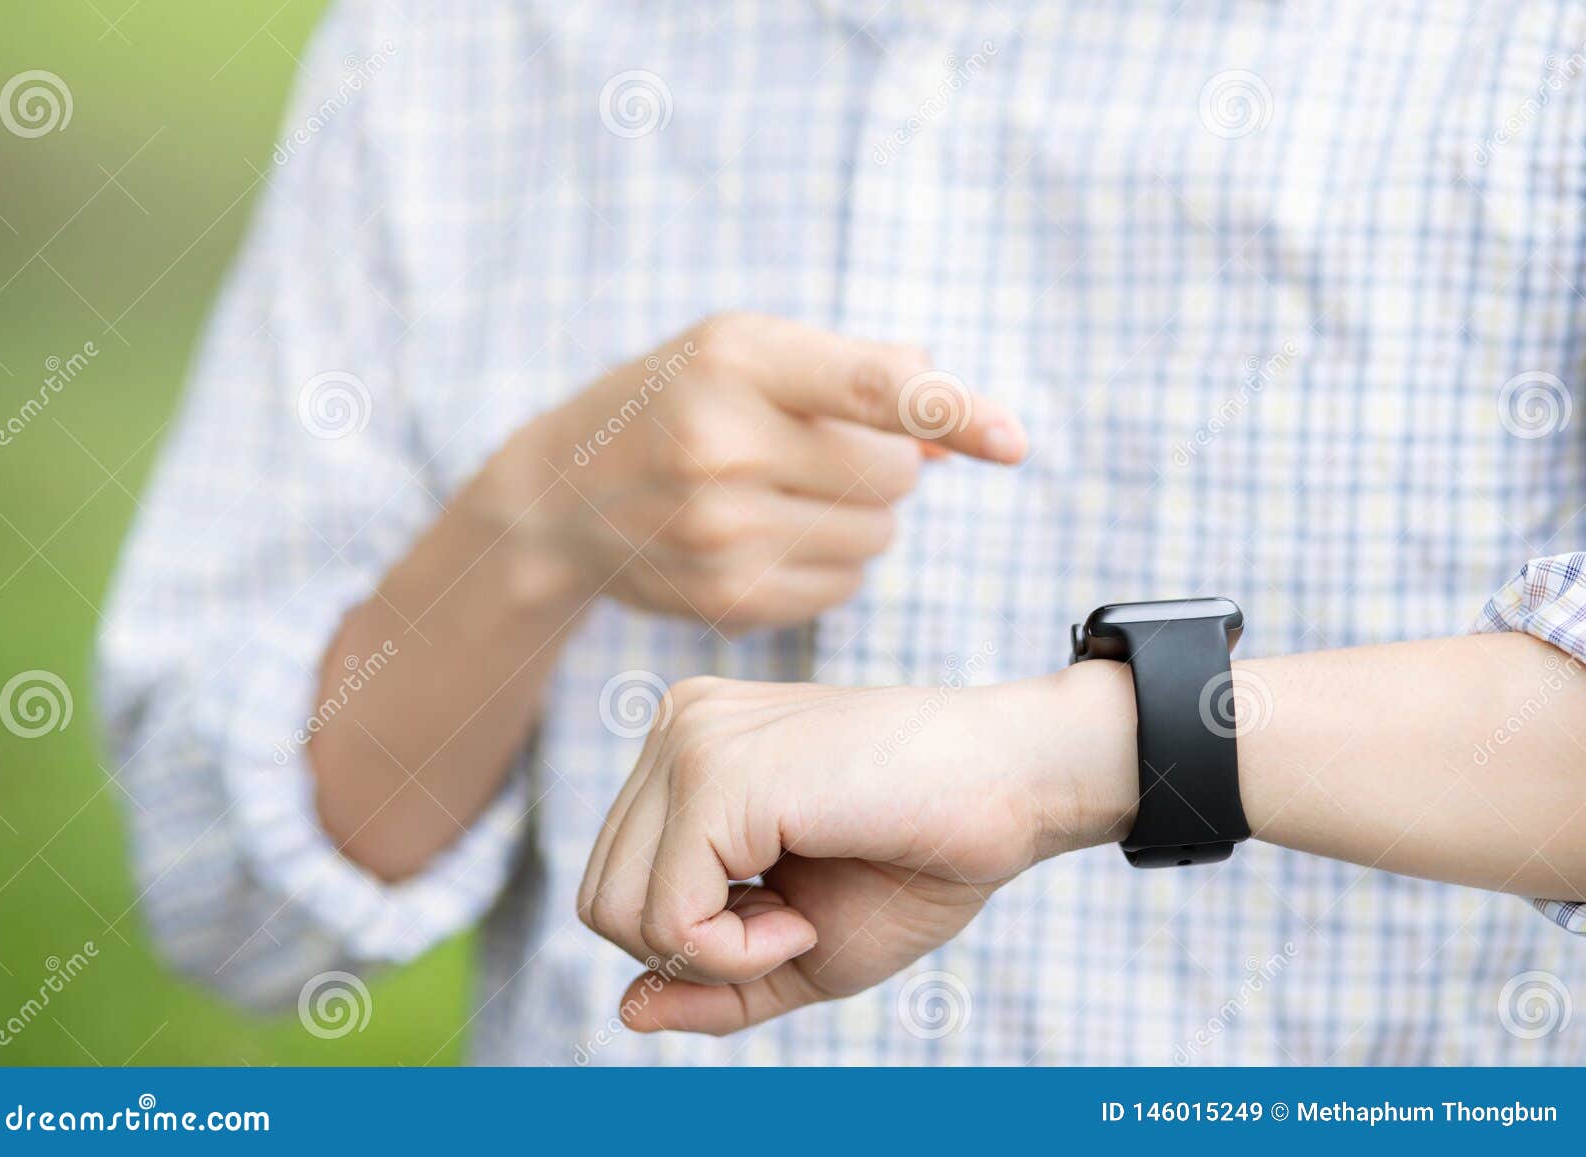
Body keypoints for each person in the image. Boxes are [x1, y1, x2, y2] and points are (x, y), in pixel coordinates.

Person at [100, 0, 1586, 1065]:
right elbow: (231, 911)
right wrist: (541, 522)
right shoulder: (448, 46)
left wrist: (1072, 749)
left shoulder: (1533, 52)